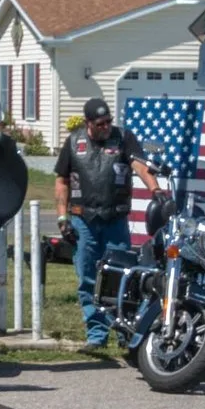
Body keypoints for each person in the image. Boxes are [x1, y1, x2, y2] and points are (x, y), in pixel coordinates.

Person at [52, 97, 158, 348]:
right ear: (89, 123)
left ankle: (125, 331)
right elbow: (61, 180)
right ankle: (97, 334)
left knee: (123, 276)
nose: (106, 126)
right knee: (88, 278)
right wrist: (62, 218)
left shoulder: (124, 138)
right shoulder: (74, 141)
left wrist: (156, 191)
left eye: (109, 121)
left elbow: (141, 167)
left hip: (115, 219)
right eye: (100, 123)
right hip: (83, 220)